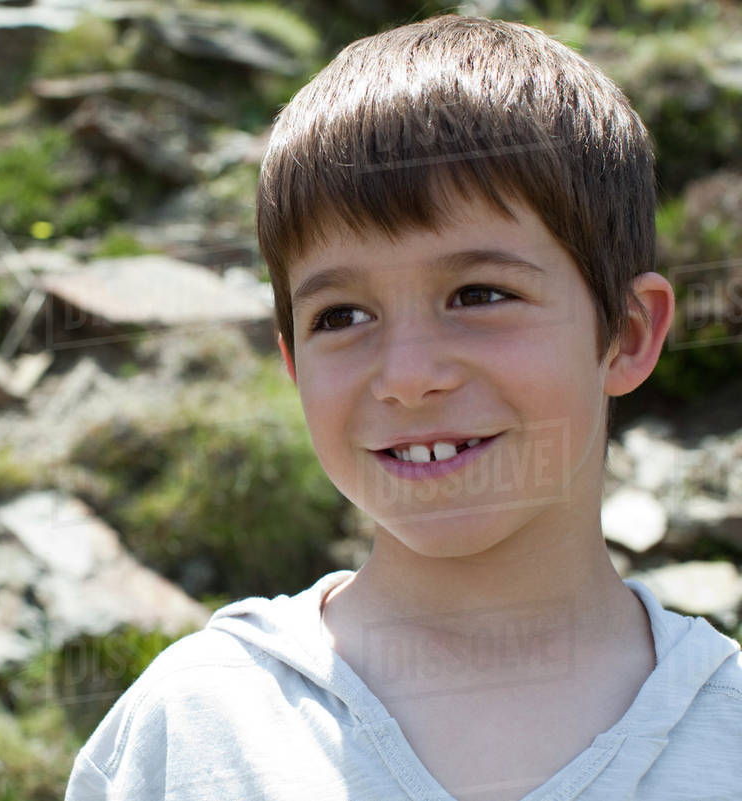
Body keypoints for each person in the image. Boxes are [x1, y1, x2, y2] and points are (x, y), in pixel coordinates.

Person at [63, 14, 742, 801]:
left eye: (480, 294)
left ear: (626, 335)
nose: (407, 377)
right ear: (292, 363)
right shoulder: (195, 723)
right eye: (341, 316)